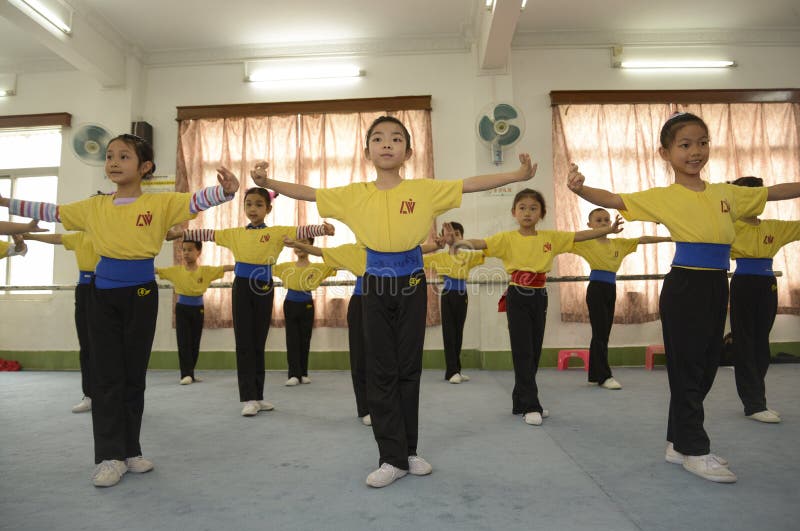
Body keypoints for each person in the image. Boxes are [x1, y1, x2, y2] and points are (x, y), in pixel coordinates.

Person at [250, 115, 537, 488]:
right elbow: (309, 192)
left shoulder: (425, 189)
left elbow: (471, 184)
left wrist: (517, 175)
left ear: (409, 151)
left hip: (412, 283)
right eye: (379, 138)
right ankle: (390, 456)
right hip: (374, 285)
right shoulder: (353, 194)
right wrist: (267, 183)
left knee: (408, 369)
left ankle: (409, 451)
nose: (387, 144)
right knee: (382, 369)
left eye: (397, 138)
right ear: (367, 150)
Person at [567, 111, 800, 484]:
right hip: (685, 286)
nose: (696, 151)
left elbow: (773, 192)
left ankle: (678, 442)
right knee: (689, 367)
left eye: (702, 143)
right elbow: (612, 198)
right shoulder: (663, 197)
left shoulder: (728, 194)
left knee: (707, 365)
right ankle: (695, 449)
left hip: (716, 284)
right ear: (666, 152)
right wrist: (579, 188)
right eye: (685, 145)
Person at [1, 133, 239, 488]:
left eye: (123, 156)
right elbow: (52, 212)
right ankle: (108, 456)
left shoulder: (160, 205)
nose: (113, 161)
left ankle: (130, 450)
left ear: (144, 167)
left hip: (141, 296)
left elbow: (196, 200)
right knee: (107, 376)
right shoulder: (93, 207)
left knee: (133, 376)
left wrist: (227, 191)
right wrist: (5, 200)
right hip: (102, 298)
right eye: (110, 156)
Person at [453, 189, 622, 426]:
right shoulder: (506, 238)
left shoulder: (550, 238)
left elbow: (579, 236)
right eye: (522, 207)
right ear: (514, 212)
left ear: (541, 213)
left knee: (533, 350)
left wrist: (608, 230)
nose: (527, 212)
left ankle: (519, 400)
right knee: (522, 350)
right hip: (517, 296)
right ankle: (531, 404)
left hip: (539, 296)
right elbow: (482, 243)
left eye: (533, 208)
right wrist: (460, 242)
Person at [168, 187, 334, 417]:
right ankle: (248, 397)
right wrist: (180, 234)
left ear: (268, 209)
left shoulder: (276, 232)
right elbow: (208, 234)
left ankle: (259, 395)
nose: (253, 209)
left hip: (264, 288)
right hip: (243, 288)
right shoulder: (236, 234)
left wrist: (323, 229)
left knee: (258, 342)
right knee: (244, 342)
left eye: (258, 204)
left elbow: (302, 230)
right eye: (248, 204)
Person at [569, 208, 671, 390]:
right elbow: (567, 239)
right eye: (598, 221)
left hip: (611, 288)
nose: (603, 223)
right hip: (596, 289)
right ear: (589, 225)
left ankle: (594, 374)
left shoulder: (619, 244)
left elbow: (642, 240)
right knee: (600, 333)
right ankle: (604, 376)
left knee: (602, 333)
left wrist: (668, 239)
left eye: (606, 220)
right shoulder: (586, 243)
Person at [728, 175, 800, 424]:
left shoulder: (774, 227)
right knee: (745, 343)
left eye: (758, 196)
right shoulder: (729, 226)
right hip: (743, 285)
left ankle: (759, 399)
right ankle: (753, 403)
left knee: (761, 344)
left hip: (767, 285)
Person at [283, 238, 372, 425]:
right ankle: (365, 407)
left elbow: (415, 249)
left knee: (383, 356)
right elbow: (321, 252)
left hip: (386, 301)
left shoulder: (386, 243)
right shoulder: (352, 250)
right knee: (360, 355)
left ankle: (383, 404)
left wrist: (437, 245)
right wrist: (299, 245)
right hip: (361, 302)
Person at [20, 230, 99, 412]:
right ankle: (90, 395)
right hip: (85, 290)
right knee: (86, 345)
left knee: (108, 345)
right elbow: (56, 238)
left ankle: (112, 397)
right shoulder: (80, 236)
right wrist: (31, 236)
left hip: (108, 288)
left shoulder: (111, 232)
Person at [156, 240, 233, 385]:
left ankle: (190, 372)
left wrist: (243, 265)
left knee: (195, 342)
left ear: (199, 252)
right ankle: (185, 374)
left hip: (198, 309)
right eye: (184, 250)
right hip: (182, 309)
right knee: (183, 341)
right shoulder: (176, 271)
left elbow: (225, 268)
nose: (186, 253)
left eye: (190, 250)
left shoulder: (205, 271)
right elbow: (157, 271)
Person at [423, 221, 484, 384]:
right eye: (448, 234)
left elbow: (486, 250)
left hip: (462, 294)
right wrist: (435, 245)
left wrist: (460, 244)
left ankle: (455, 369)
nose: (452, 236)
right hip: (448, 295)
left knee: (458, 332)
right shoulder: (439, 256)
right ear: (443, 236)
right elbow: (419, 260)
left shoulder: (468, 255)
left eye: (457, 234)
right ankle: (452, 371)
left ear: (462, 237)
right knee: (449, 333)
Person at [273, 238, 335, 387]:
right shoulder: (285, 267)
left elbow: (335, 263)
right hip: (290, 304)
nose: (299, 246)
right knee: (292, 338)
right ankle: (293, 374)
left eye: (304, 243)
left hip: (307, 305)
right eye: (297, 243)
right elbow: (267, 265)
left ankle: (304, 373)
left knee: (305, 338)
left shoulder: (318, 267)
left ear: (310, 246)